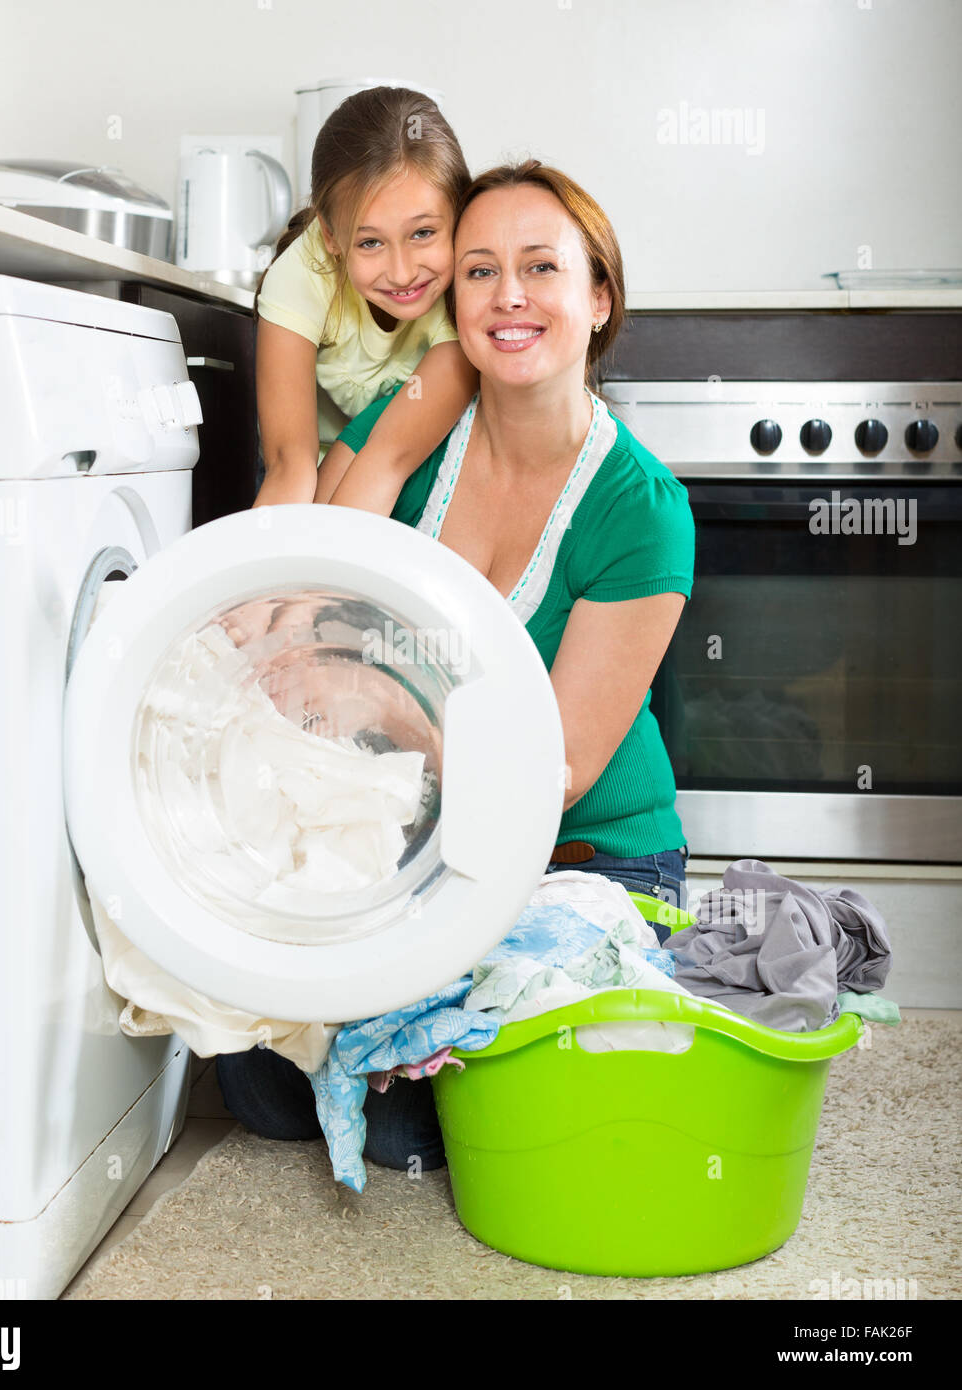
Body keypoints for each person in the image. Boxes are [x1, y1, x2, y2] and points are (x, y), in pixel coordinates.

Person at [218, 160, 694, 1174]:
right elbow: (303, 562)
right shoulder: (414, 433)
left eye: (539, 268)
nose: (508, 296)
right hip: (422, 831)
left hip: (585, 854)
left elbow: (554, 771)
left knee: (400, 1129)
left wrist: (370, 695)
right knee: (255, 1090)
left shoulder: (638, 506)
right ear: (455, 302)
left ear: (596, 296)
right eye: (478, 271)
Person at [252, 86, 478, 511]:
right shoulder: (299, 277)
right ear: (332, 235)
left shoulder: (468, 282)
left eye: (423, 233)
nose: (403, 272)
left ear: (460, 212)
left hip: (416, 473)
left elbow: (389, 457)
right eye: (371, 242)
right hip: (318, 485)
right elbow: (289, 465)